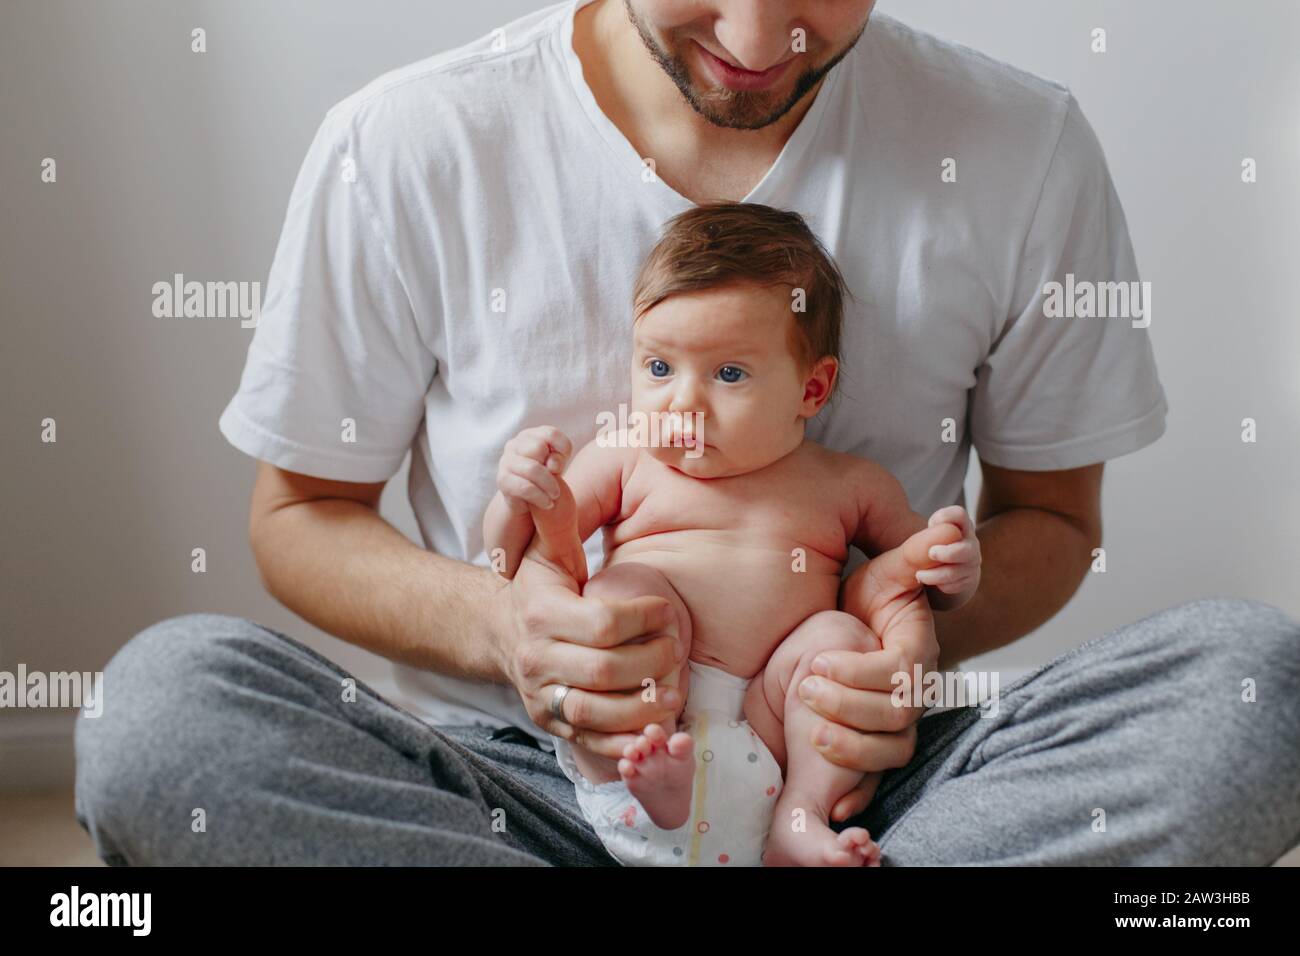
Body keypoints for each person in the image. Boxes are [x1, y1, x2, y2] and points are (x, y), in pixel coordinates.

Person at [75, 0, 1300, 865]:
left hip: (871, 786)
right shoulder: (405, 144)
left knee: (1249, 690)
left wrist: (885, 651)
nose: (760, 39)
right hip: (516, 784)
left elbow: (1049, 520)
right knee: (162, 714)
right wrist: (511, 630)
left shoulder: (1021, 149)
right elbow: (299, 516)